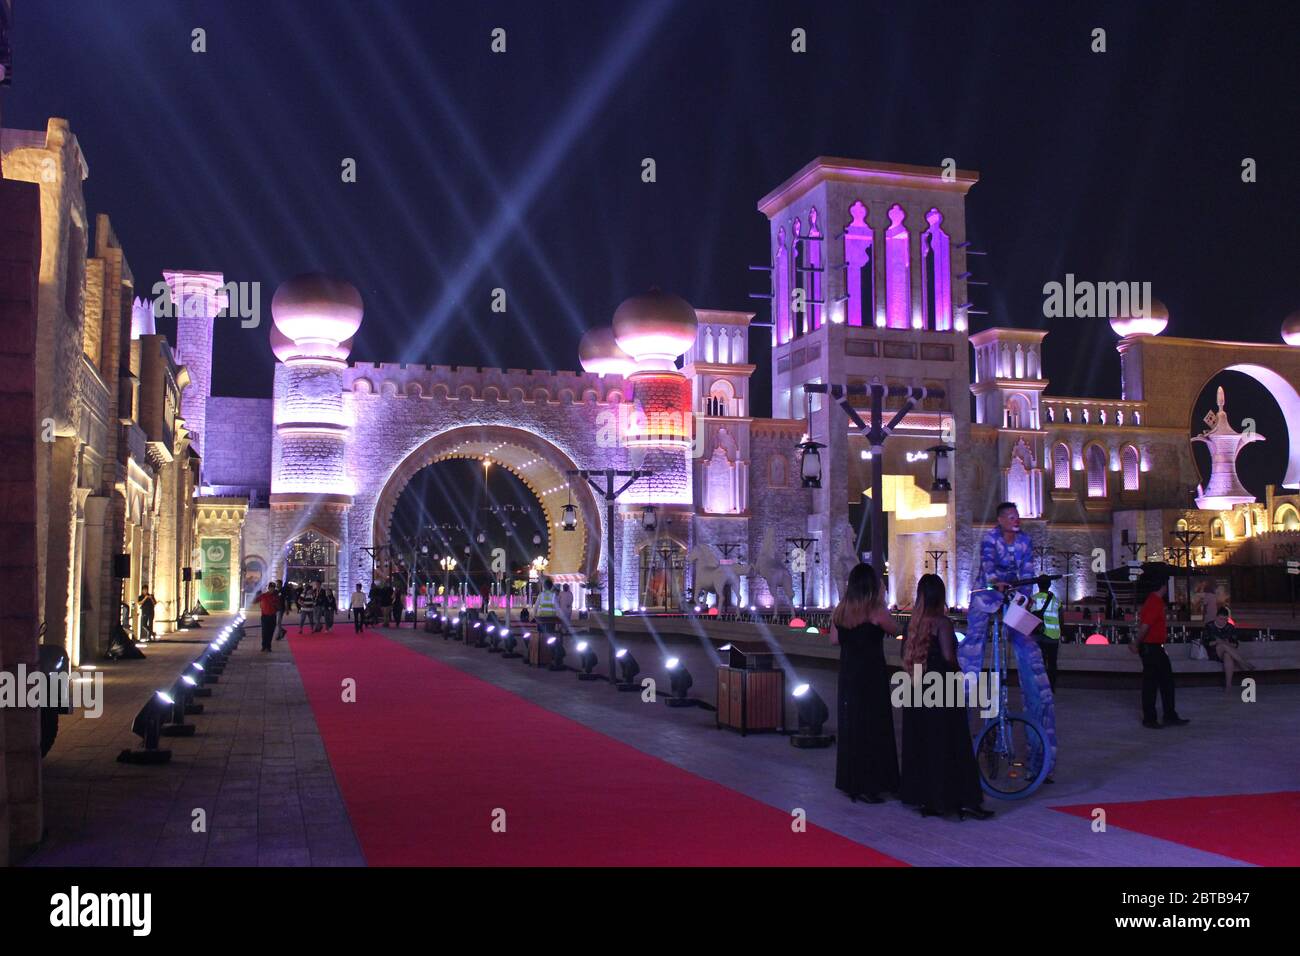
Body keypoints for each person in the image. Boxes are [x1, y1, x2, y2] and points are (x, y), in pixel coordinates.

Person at [960, 502, 1058, 776]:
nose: (1016, 521)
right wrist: (996, 585)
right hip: (988, 596)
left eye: (1017, 517)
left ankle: (1040, 758)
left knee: (1029, 651)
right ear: (1000, 519)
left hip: (1014, 598)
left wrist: (1022, 597)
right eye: (1011, 517)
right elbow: (989, 567)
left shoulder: (1025, 541)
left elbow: (1027, 573)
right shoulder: (990, 539)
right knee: (972, 649)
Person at [900, 574, 992, 820]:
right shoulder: (942, 623)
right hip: (942, 687)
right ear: (939, 596)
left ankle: (929, 799)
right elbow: (949, 657)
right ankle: (962, 799)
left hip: (917, 687)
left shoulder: (913, 623)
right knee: (954, 744)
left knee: (925, 744)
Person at [829, 563, 900, 803]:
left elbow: (834, 640)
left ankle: (852, 783)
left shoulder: (841, 610)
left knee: (852, 726)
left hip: (849, 673)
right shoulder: (876, 611)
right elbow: (897, 630)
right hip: (872, 675)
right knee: (874, 726)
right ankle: (874, 784)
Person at [1135, 575, 1190, 728]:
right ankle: (1151, 718)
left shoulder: (1154, 601)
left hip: (1154, 647)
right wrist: (1136, 643)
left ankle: (1168, 715)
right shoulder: (1155, 602)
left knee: (1165, 682)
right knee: (1152, 684)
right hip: (1151, 647)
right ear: (1162, 586)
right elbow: (1145, 626)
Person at [1200, 606, 1248, 692]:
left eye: (1225, 620)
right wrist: (1217, 642)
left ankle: (1228, 685)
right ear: (1216, 617)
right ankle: (1242, 662)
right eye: (1221, 619)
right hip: (1213, 652)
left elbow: (1235, 644)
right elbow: (1205, 643)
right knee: (1221, 644)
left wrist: (1226, 642)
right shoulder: (1209, 626)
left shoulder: (1230, 627)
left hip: (1227, 652)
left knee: (1227, 655)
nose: (1223, 622)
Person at [1030, 575, 1061, 692]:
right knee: (1052, 663)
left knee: (1039, 662)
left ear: (1038, 585)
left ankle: (1039, 686)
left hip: (1037, 636)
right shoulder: (1056, 601)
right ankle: (1051, 687)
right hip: (1053, 636)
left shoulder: (1032, 599)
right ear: (1049, 585)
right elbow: (1061, 620)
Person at [257, 583, 281, 653]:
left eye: (273, 588)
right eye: (271, 588)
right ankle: (264, 646)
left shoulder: (276, 597)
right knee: (264, 632)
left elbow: (279, 607)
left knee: (271, 632)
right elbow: (256, 600)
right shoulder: (263, 596)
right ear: (268, 588)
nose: (272, 589)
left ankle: (268, 646)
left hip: (272, 616)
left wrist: (275, 604)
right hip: (265, 616)